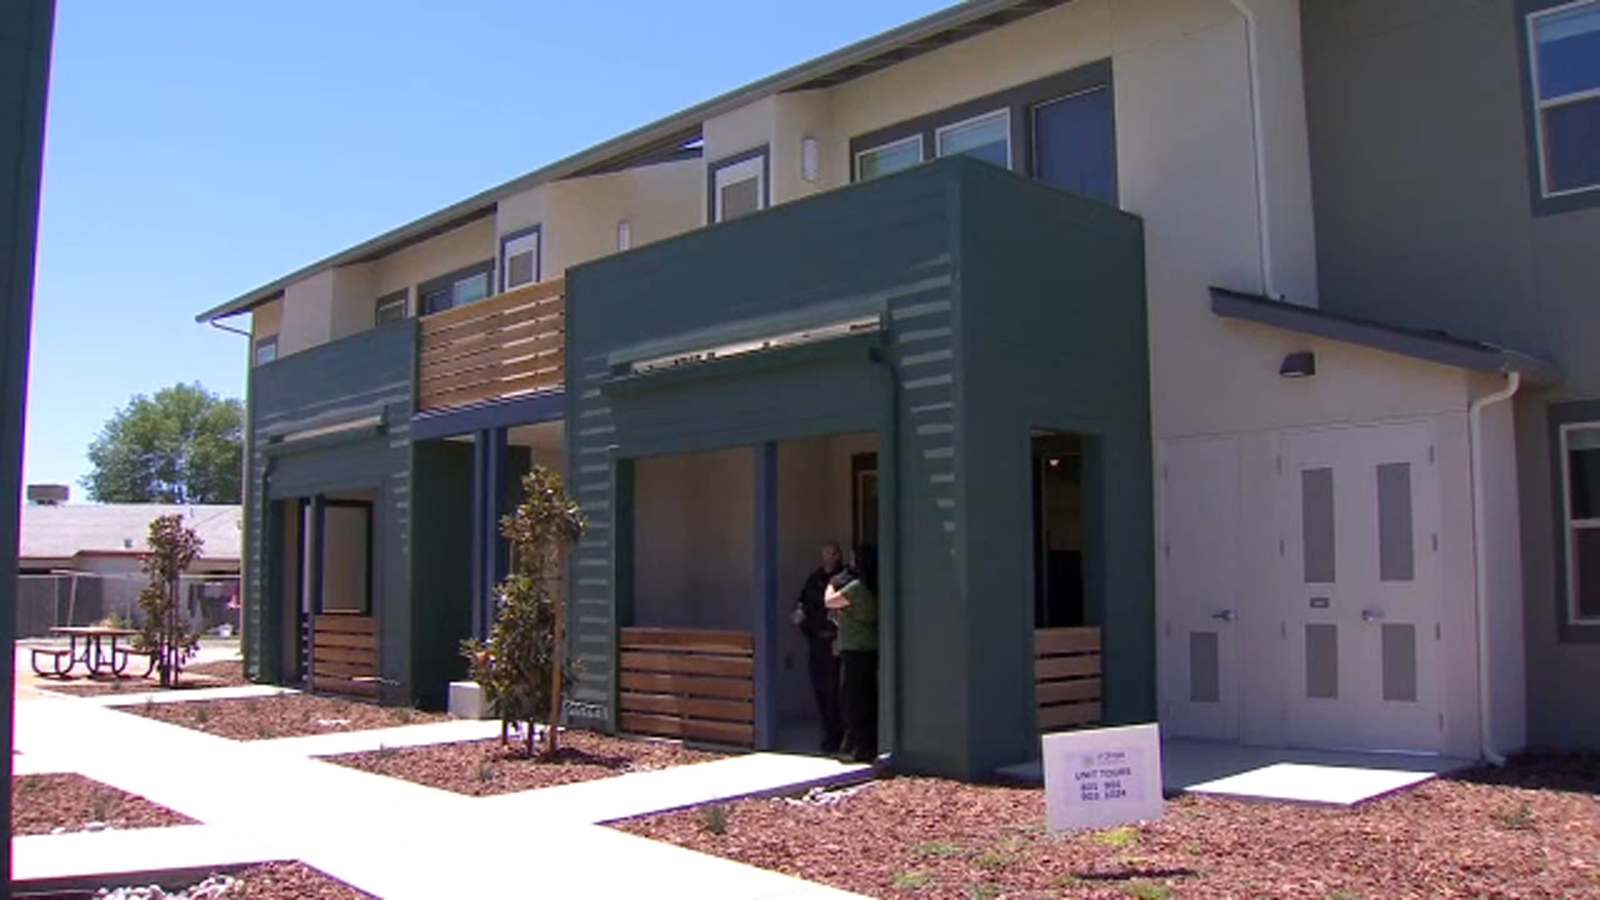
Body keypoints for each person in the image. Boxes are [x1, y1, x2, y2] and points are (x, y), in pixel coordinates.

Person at [825, 545, 878, 763]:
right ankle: (867, 745)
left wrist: (831, 583)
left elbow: (830, 601)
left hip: (854, 651)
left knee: (852, 700)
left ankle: (856, 748)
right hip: (870, 649)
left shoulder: (855, 588)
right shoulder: (874, 588)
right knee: (868, 698)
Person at [792, 541, 845, 753]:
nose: (828, 557)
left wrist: (839, 639)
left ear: (838, 555)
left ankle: (839, 736)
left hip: (836, 643)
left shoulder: (843, 580)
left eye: (832, 553)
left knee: (836, 693)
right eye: (825, 553)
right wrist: (800, 619)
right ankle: (828, 734)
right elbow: (801, 605)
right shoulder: (814, 580)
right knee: (820, 690)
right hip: (816, 642)